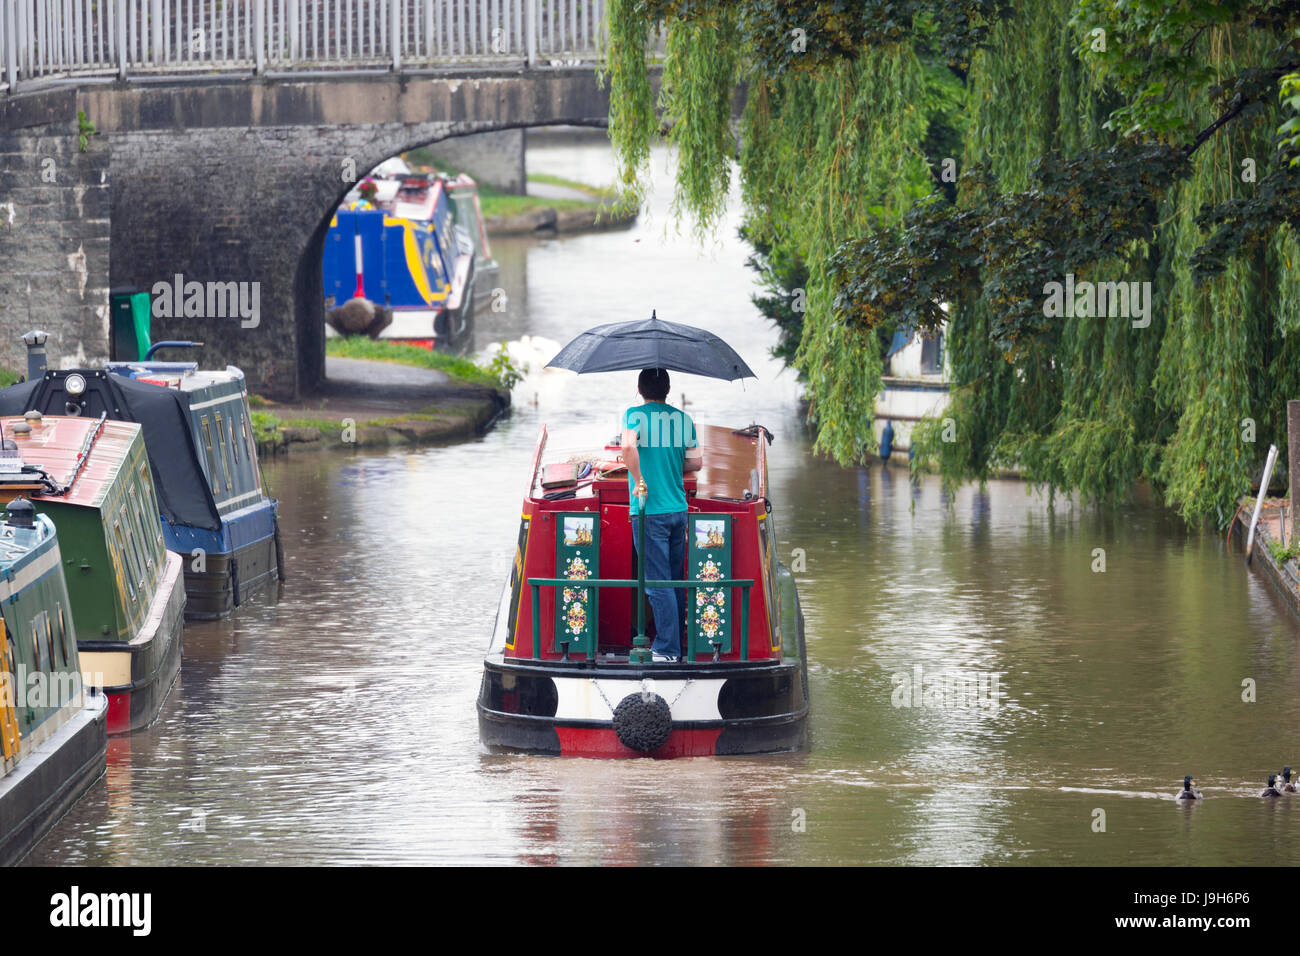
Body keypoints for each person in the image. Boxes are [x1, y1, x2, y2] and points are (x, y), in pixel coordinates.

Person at [621, 368, 701, 662]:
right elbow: (697, 462)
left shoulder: (634, 415)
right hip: (678, 510)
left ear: (639, 389)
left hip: (650, 511)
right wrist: (667, 464)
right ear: (668, 389)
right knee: (674, 581)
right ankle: (678, 645)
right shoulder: (683, 419)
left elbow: (628, 446)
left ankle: (667, 649)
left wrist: (639, 477)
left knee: (657, 582)